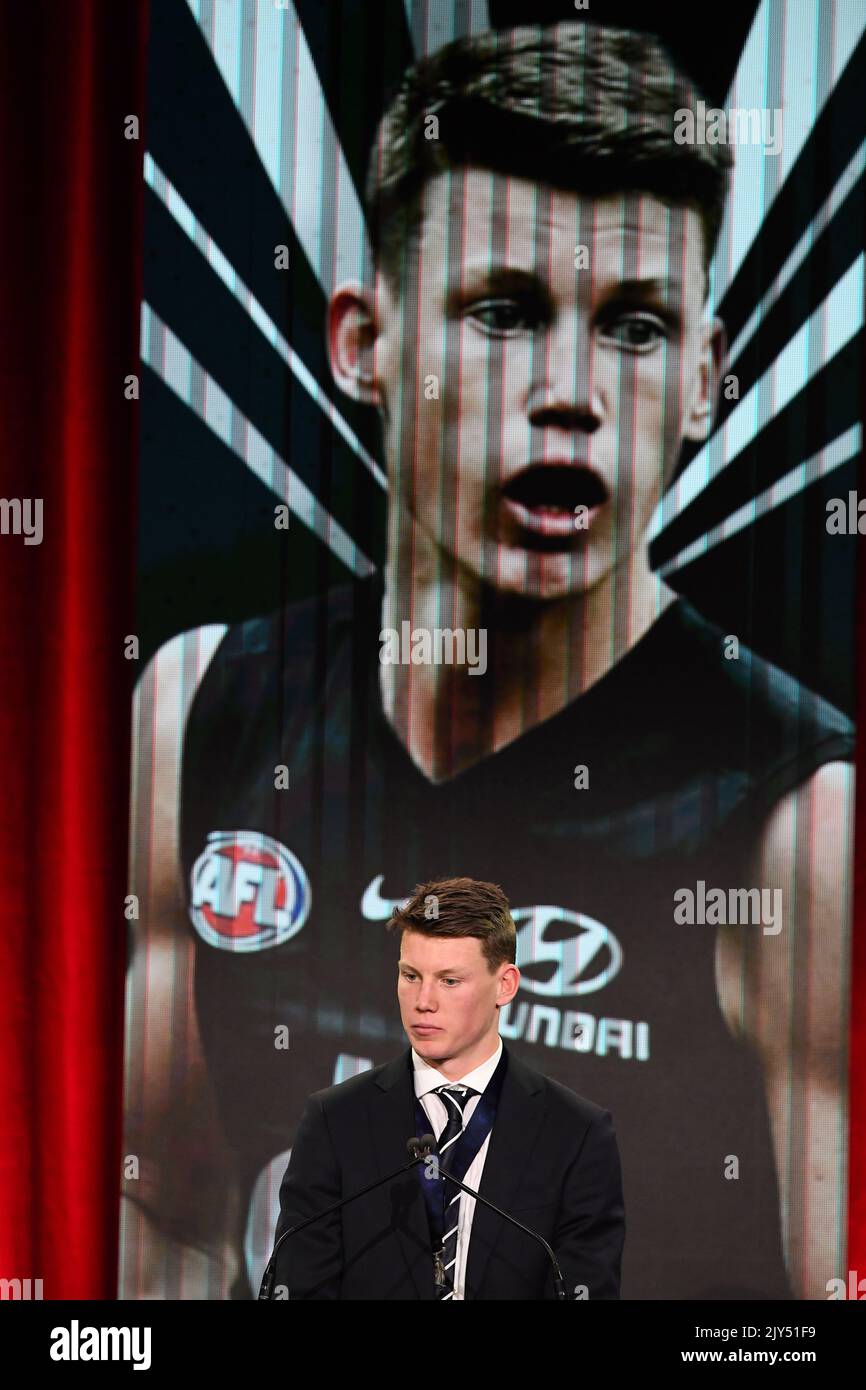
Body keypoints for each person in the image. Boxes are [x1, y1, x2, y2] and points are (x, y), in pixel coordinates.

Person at [120, 23, 855, 1301]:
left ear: (701, 382)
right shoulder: (202, 709)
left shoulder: (806, 825)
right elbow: (166, 1225)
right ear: (365, 345)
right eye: (505, 311)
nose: (568, 390)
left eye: (631, 328)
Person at [268, 877, 624, 1300]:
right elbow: (302, 1282)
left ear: (505, 985)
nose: (423, 1001)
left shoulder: (575, 1133)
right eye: (411, 976)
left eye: (449, 981)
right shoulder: (336, 1120)